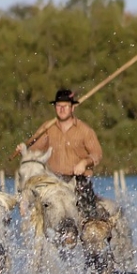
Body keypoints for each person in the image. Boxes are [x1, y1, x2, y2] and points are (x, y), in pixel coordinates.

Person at [17, 88, 103, 217]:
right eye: (58, 106)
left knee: (88, 215)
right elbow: (34, 150)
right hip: (53, 180)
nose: (62, 109)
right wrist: (24, 149)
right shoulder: (47, 128)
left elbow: (97, 154)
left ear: (72, 108)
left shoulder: (85, 130)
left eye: (65, 106)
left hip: (77, 180)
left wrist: (84, 162)